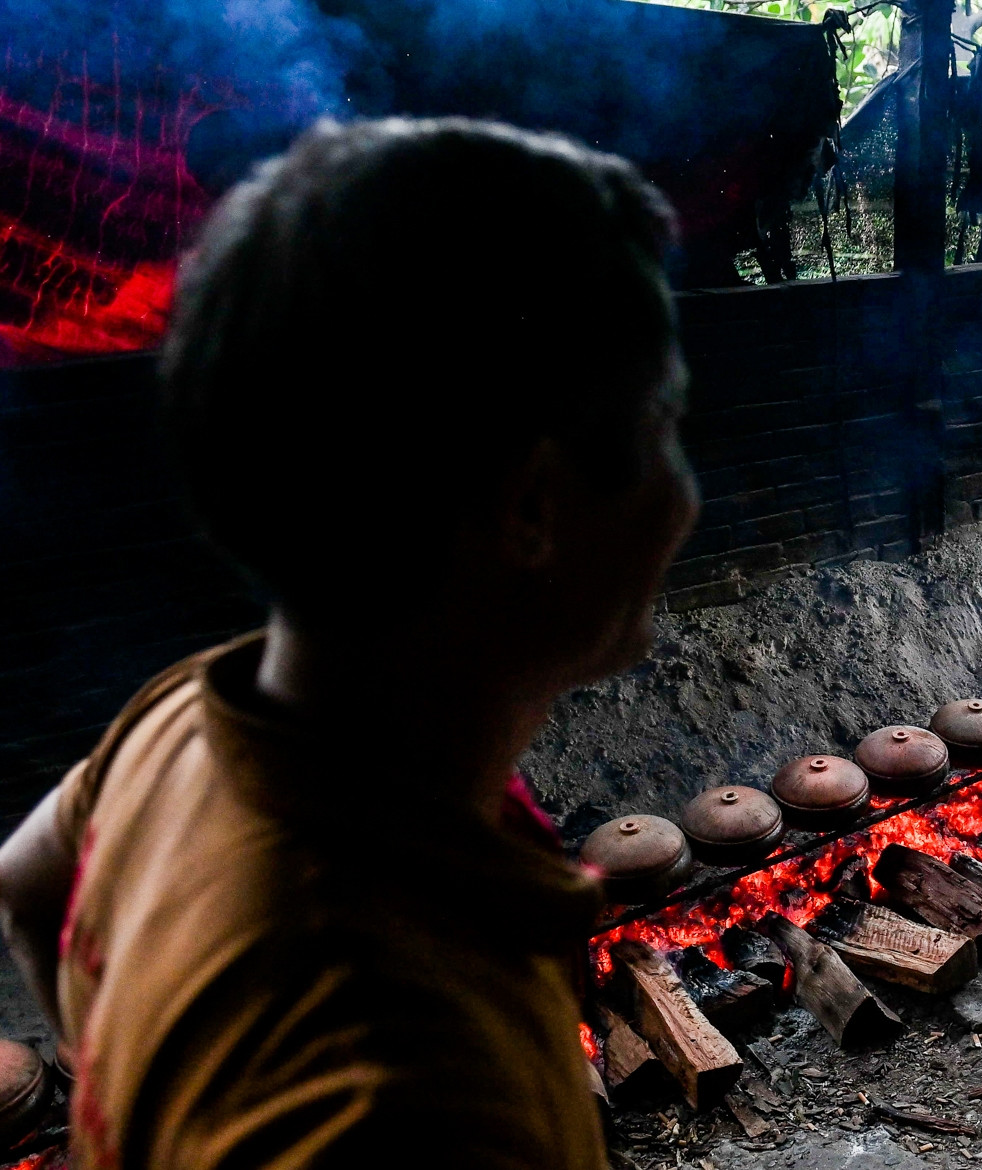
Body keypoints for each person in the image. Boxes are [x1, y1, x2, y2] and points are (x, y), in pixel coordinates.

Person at [0, 117, 698, 1167]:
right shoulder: (398, 1092)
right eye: (663, 433)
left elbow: (26, 877)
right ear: (530, 508)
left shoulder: (187, 719)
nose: (686, 505)